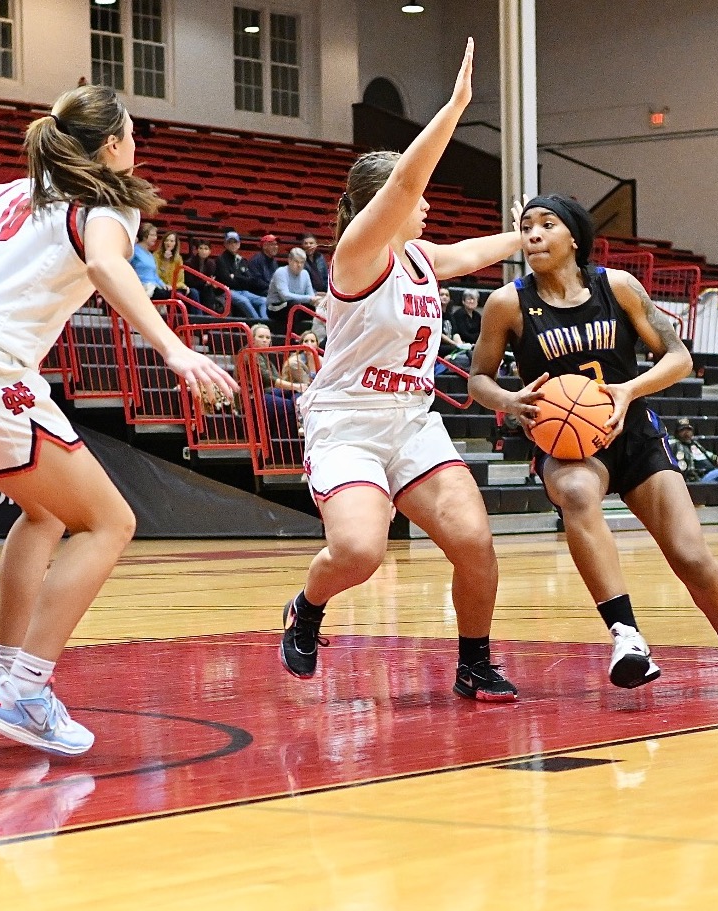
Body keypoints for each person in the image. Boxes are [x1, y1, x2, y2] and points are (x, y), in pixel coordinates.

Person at [0, 84, 237, 756]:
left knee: (46, 513)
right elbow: (105, 266)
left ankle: (5, 667)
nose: (138, 139)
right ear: (112, 145)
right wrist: (176, 349)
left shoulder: (15, 194)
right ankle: (27, 687)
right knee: (112, 522)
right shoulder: (107, 204)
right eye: (133, 130)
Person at [280, 40, 522, 702]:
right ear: (381, 204)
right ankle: (306, 608)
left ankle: (474, 660)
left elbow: (470, 253)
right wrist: (454, 108)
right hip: (348, 423)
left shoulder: (417, 258)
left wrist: (529, 237)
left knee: (473, 540)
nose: (425, 207)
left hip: (410, 422)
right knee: (360, 551)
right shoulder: (356, 255)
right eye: (413, 199)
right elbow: (408, 184)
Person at [468, 193, 718, 696]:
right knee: (574, 494)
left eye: (546, 225)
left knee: (690, 555)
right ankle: (626, 635)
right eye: (526, 226)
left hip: (632, 430)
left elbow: (678, 358)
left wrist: (628, 390)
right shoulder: (508, 303)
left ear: (574, 236)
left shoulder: (617, 287)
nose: (533, 235)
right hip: (567, 442)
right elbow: (477, 380)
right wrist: (508, 400)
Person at [216, 230, 268, 321]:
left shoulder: (242, 260)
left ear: (239, 244)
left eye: (235, 242)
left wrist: (235, 277)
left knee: (264, 301)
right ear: (225, 244)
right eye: (230, 242)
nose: (233, 245)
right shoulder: (221, 259)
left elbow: (249, 280)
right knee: (245, 301)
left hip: (243, 291)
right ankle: (258, 324)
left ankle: (266, 323)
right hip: (227, 291)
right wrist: (240, 279)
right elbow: (227, 281)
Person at [266, 246, 323, 326]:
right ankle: (292, 337)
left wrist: (316, 301)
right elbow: (285, 296)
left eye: (302, 262)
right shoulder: (281, 272)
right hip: (276, 308)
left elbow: (311, 296)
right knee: (295, 306)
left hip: (296, 305)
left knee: (316, 308)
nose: (299, 265)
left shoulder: (305, 273)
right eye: (296, 262)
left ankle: (311, 335)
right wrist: (309, 298)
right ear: (289, 260)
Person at [129, 221, 170, 299]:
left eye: (155, 235)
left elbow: (154, 275)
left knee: (172, 292)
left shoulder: (150, 255)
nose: (155, 238)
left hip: (154, 286)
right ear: (144, 236)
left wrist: (163, 284)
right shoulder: (135, 250)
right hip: (142, 286)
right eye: (152, 235)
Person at [183, 236, 222, 312]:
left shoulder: (212, 264)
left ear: (210, 251)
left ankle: (210, 316)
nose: (203, 251)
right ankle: (199, 316)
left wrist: (212, 284)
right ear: (197, 250)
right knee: (194, 292)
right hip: (192, 287)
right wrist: (205, 282)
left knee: (210, 291)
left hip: (205, 288)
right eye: (201, 248)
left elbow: (213, 279)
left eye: (206, 249)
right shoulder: (189, 263)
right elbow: (189, 282)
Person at [155, 229, 194, 301]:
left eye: (171, 241)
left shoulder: (178, 258)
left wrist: (175, 286)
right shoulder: (156, 256)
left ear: (175, 244)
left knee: (194, 293)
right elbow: (157, 276)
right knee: (177, 294)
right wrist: (165, 262)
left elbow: (181, 280)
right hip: (161, 287)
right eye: (166, 240)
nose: (168, 243)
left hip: (174, 287)